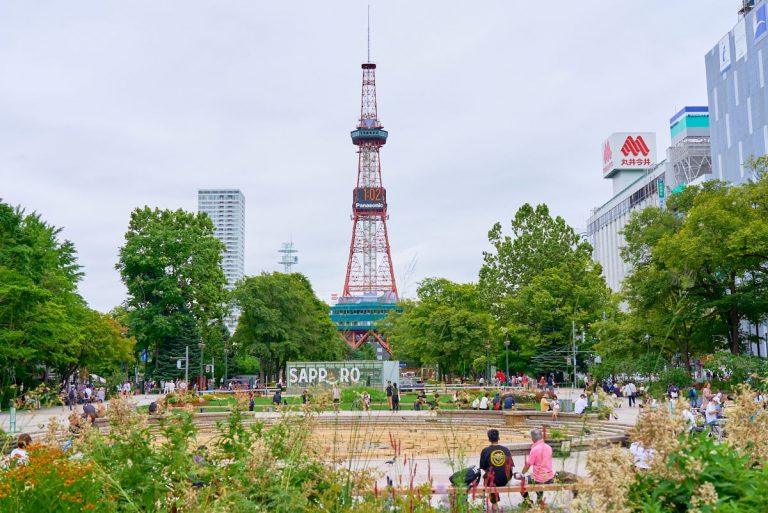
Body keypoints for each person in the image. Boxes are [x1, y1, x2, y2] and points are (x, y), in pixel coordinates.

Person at [517, 428, 554, 506]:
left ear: (533, 438)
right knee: (538, 477)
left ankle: (527, 501)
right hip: (549, 477)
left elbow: (528, 465)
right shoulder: (549, 447)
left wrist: (521, 474)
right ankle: (539, 500)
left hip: (539, 478)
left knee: (521, 483)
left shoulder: (535, 449)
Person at [479, 429, 513, 504]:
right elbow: (511, 466)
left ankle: (494, 503)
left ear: (489, 439)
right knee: (492, 476)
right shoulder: (506, 449)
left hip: (493, 481)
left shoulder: (485, 451)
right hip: (506, 480)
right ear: (499, 438)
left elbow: (484, 468)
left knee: (489, 477)